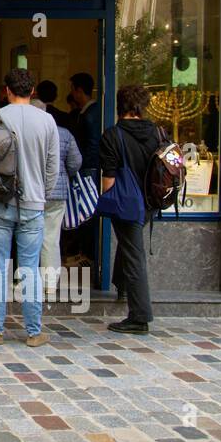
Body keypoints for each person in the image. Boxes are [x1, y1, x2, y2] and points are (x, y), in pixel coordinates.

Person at [0, 69, 59, 347]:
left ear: (7, 91)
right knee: (30, 268)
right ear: (32, 90)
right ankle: (34, 332)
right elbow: (52, 166)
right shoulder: (47, 121)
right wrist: (41, 195)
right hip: (33, 204)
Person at [100, 85, 165, 334]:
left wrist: (107, 199)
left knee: (134, 254)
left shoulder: (113, 135)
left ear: (120, 105)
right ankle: (122, 284)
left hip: (127, 203)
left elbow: (109, 179)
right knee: (130, 245)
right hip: (152, 201)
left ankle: (140, 317)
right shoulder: (158, 132)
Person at [66, 71, 103, 275]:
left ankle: (87, 254)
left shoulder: (90, 115)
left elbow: (91, 146)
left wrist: (82, 168)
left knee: (86, 212)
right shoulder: (89, 112)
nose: (71, 93)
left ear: (79, 91)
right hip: (87, 169)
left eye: (72, 89)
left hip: (88, 171)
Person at [42, 117, 82, 303]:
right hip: (58, 193)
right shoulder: (65, 133)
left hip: (31, 193)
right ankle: (49, 284)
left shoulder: (28, 130)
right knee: (51, 238)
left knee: (27, 236)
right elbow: (75, 163)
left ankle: (26, 279)